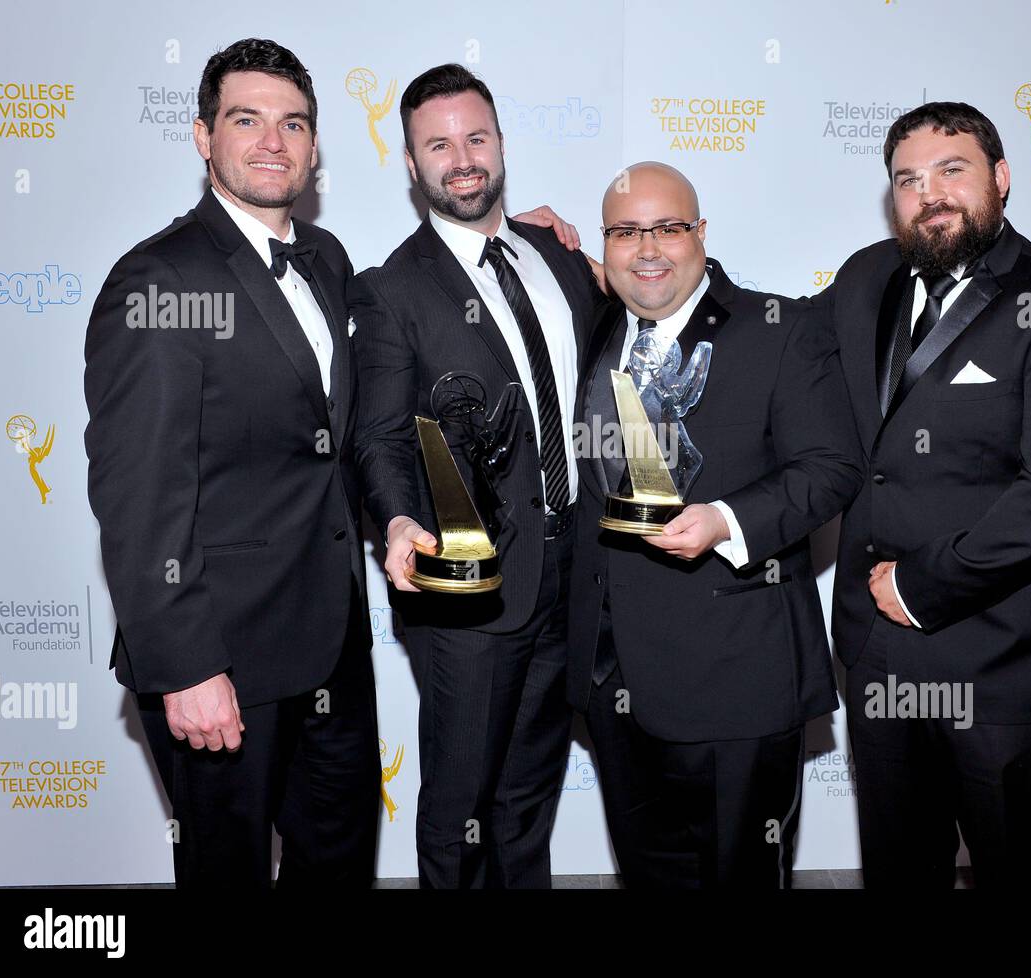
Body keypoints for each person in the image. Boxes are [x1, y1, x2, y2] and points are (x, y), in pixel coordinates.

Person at [817, 101, 1031, 888]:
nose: (928, 194)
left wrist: (925, 585)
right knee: (899, 868)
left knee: (1012, 870)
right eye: (907, 180)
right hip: (879, 653)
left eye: (950, 170)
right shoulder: (867, 277)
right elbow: (782, 337)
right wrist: (664, 264)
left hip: (1010, 658)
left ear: (1000, 177)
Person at [84, 38, 379, 887]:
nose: (272, 141)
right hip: (218, 657)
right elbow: (138, 493)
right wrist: (185, 666)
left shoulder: (327, 262)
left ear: (316, 145)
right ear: (203, 137)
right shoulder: (159, 277)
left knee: (340, 865)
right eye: (246, 120)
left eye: (293, 123)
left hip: (329, 644)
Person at [567, 162, 863, 887]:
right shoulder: (592, 324)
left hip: (738, 674)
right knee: (649, 872)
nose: (648, 250)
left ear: (701, 234)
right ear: (604, 246)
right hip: (611, 674)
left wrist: (727, 520)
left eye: (669, 228)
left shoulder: (780, 329)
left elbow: (831, 468)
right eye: (626, 231)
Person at [354, 64, 602, 888]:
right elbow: (380, 436)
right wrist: (395, 521)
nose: (462, 159)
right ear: (413, 164)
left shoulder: (556, 257)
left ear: (500, 143)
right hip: (469, 587)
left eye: (476, 138)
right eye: (439, 145)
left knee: (527, 800)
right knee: (460, 807)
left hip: (574, 572)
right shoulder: (391, 289)